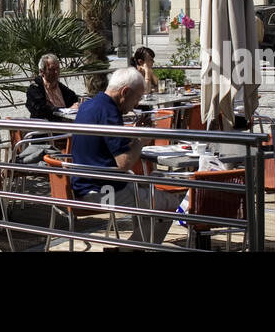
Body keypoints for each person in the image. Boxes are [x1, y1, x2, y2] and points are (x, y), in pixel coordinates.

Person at [72, 66, 181, 244]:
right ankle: (131, 248)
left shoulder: (91, 105)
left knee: (149, 188)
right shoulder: (110, 113)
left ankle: (136, 244)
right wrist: (142, 140)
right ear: (125, 92)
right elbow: (124, 164)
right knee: (169, 204)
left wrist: (133, 133)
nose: (136, 104)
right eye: (137, 97)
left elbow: (105, 144)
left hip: (84, 184)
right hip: (102, 191)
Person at [25, 53, 80, 121]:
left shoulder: (61, 87)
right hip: (47, 127)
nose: (56, 72)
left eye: (57, 68)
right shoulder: (35, 89)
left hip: (66, 125)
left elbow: (74, 99)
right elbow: (39, 109)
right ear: (42, 72)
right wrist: (65, 110)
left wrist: (79, 104)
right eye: (52, 69)